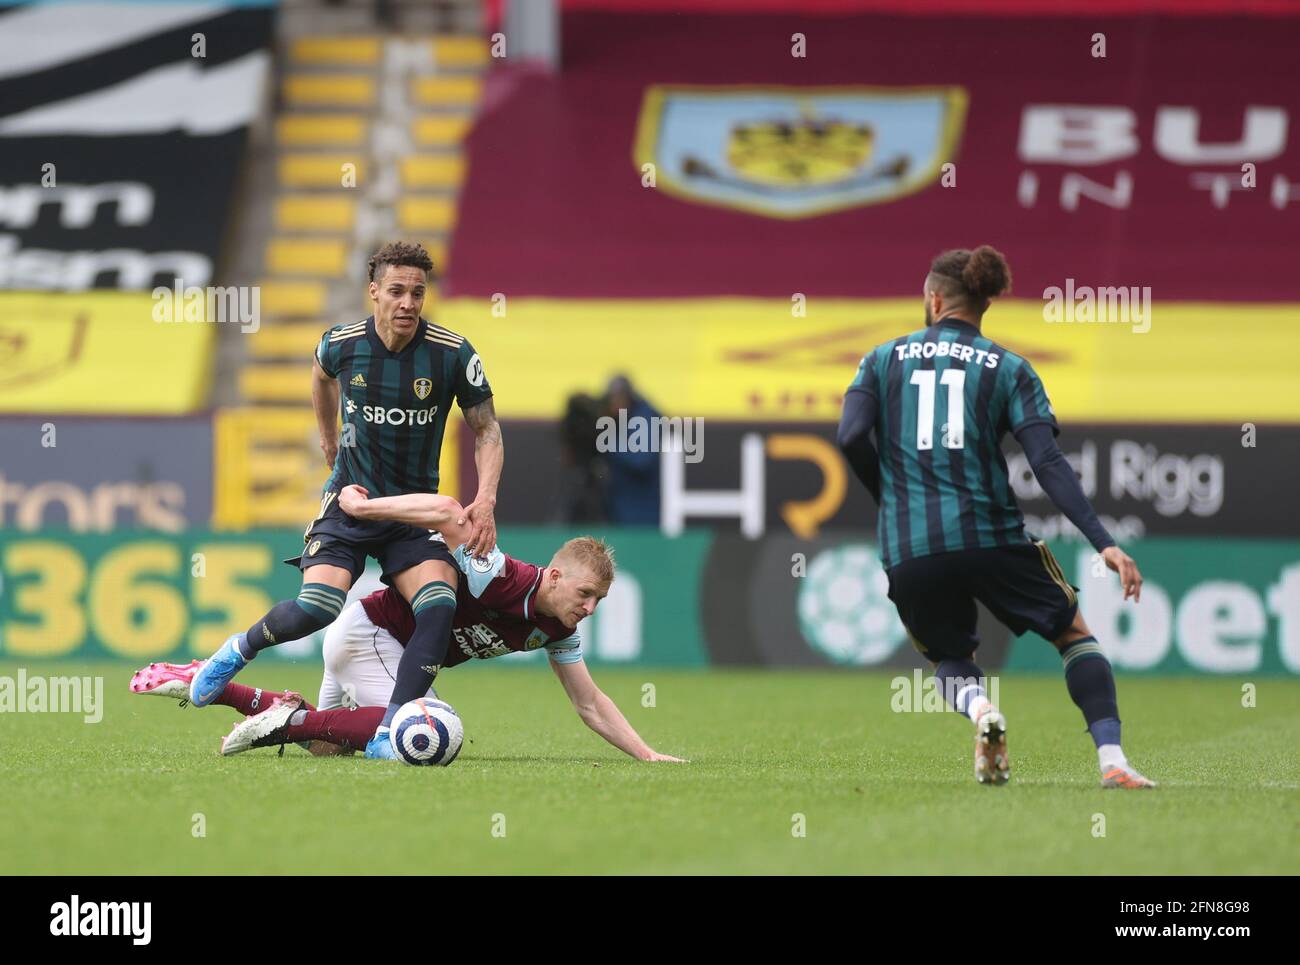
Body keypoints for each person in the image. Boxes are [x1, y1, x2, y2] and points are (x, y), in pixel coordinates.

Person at [836, 245, 1154, 789]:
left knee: (949, 657)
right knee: (1073, 634)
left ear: (935, 299)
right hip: (989, 532)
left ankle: (983, 712)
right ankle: (1113, 761)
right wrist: (1104, 542)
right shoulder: (1011, 369)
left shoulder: (880, 358)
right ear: (983, 304)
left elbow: (848, 437)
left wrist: (887, 493)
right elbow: (1047, 462)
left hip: (910, 543)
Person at [187, 241, 504, 760]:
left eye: (418, 293)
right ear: (374, 291)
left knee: (439, 605)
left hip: (411, 512)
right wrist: (328, 438)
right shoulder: (342, 343)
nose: (408, 303)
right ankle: (235, 651)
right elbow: (319, 374)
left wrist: (485, 498)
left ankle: (387, 732)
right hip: (350, 500)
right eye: (397, 291)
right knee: (318, 607)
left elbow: (487, 429)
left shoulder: (452, 353)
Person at [132, 489, 683, 763]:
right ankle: (277, 723)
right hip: (372, 634)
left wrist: (647, 754)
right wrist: (367, 511)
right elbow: (447, 511)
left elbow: (589, 703)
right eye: (586, 594)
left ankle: (226, 690)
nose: (589, 607)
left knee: (329, 747)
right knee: (431, 732)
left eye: (600, 601)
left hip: (377, 649)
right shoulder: (502, 574)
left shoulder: (558, 630)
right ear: (556, 575)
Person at [602, 375, 661, 525]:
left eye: (619, 397)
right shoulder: (618, 419)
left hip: (642, 510)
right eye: (612, 398)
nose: (614, 403)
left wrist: (608, 442)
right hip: (622, 506)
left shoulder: (644, 418)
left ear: (629, 398)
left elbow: (642, 460)